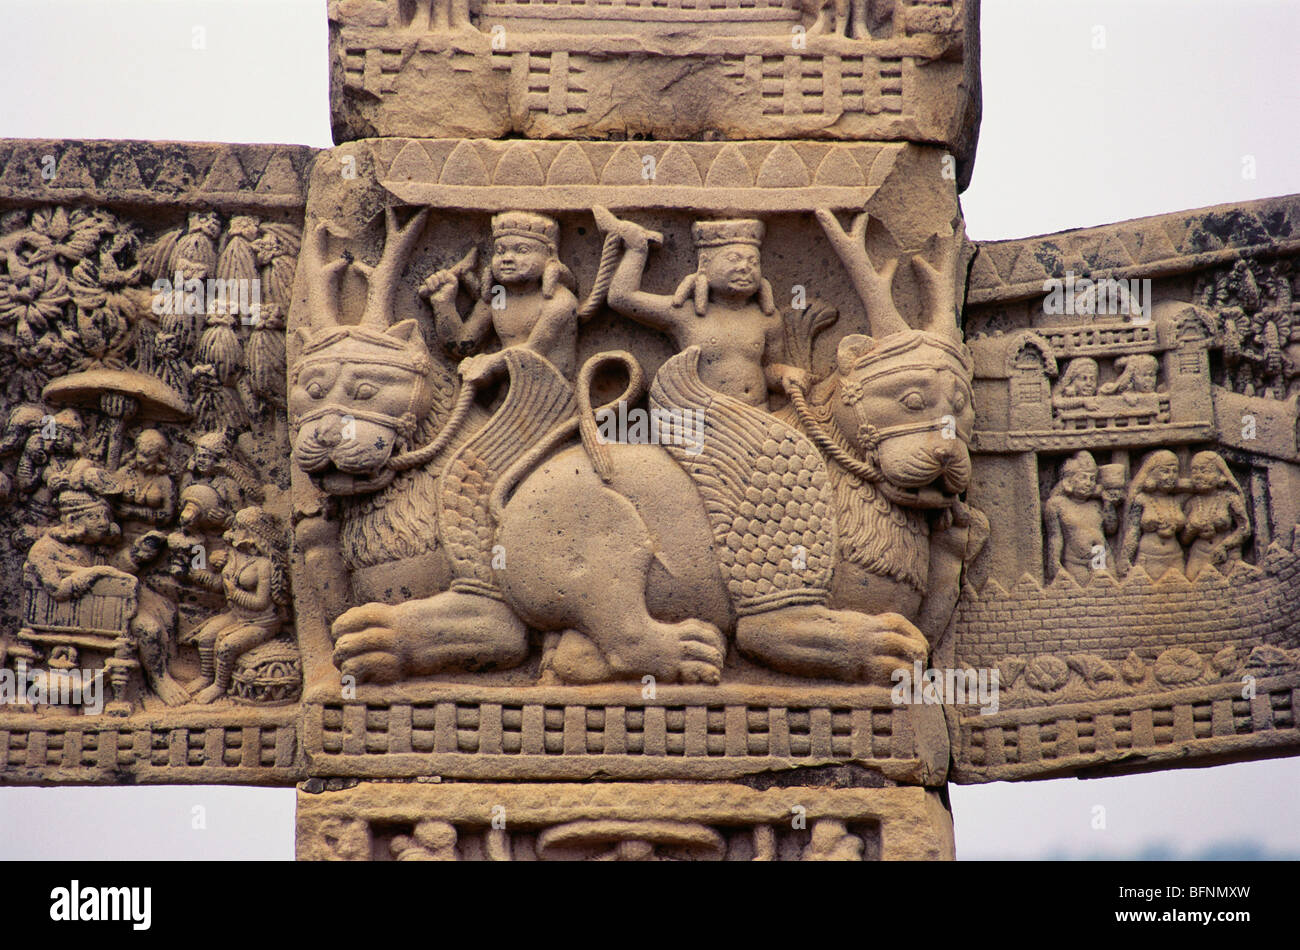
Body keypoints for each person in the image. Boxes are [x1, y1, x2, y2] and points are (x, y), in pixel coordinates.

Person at [421, 211, 579, 386]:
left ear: (549, 254)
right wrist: (444, 304)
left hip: (547, 397)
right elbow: (462, 345)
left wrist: (487, 362)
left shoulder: (559, 301)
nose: (507, 259)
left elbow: (532, 353)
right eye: (500, 251)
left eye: (522, 250)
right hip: (505, 396)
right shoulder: (500, 297)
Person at [186, 506, 289, 704]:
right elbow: (220, 586)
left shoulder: (263, 564)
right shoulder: (233, 556)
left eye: (240, 528)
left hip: (262, 622)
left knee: (227, 646)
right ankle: (206, 676)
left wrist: (236, 594)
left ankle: (219, 685)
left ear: (254, 534)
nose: (234, 533)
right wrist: (201, 574)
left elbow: (260, 602)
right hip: (237, 615)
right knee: (206, 636)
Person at [1043, 451, 1119, 584]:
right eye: (1083, 477)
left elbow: (1111, 529)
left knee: (1107, 591)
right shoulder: (1057, 504)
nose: (1088, 483)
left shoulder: (1096, 504)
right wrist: (1054, 562)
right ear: (1069, 480)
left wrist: (1108, 504)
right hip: (1076, 562)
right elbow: (1055, 537)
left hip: (1101, 557)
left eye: (1092, 479)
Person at [1181, 450, 1251, 580]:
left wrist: (1225, 546)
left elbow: (1245, 528)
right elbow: (1184, 540)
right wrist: (1192, 528)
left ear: (1220, 476)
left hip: (1226, 556)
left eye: (1205, 471)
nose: (1198, 476)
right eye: (1194, 471)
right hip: (1197, 556)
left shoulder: (1230, 499)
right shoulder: (1192, 503)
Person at [1119, 450, 1185, 580]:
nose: (1171, 476)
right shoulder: (1141, 499)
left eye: (1174, 471)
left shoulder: (1178, 499)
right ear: (1152, 473)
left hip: (1175, 558)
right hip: (1149, 558)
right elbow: (1133, 532)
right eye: (1165, 471)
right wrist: (1125, 558)